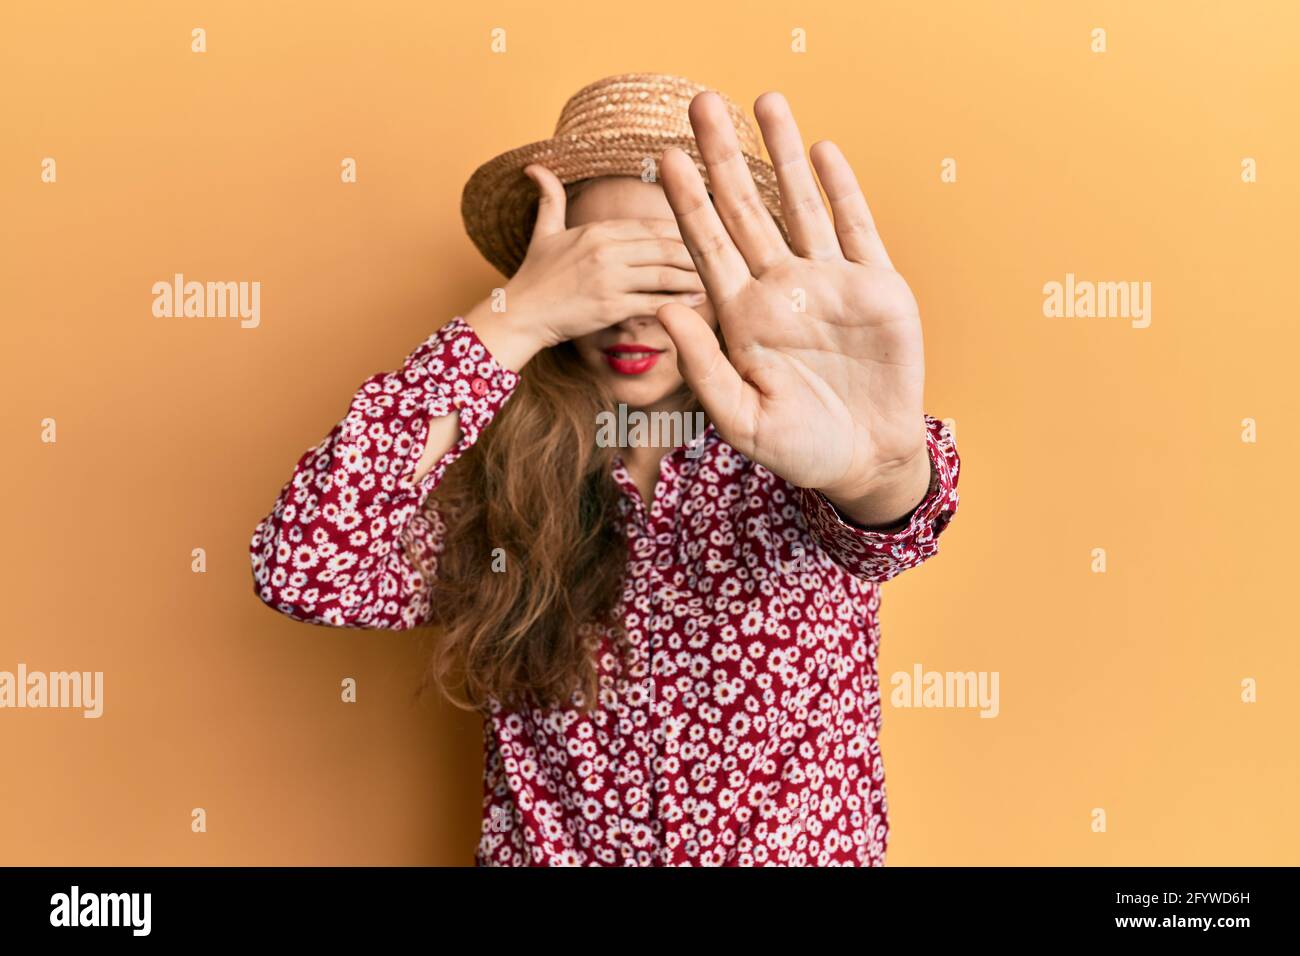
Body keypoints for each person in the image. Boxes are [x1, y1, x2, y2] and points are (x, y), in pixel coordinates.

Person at [249, 72, 962, 866]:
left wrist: (881, 468)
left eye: (673, 265)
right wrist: (510, 320)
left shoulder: (806, 447)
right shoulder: (494, 463)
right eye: (602, 267)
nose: (633, 310)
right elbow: (306, 570)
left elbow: (893, 531)